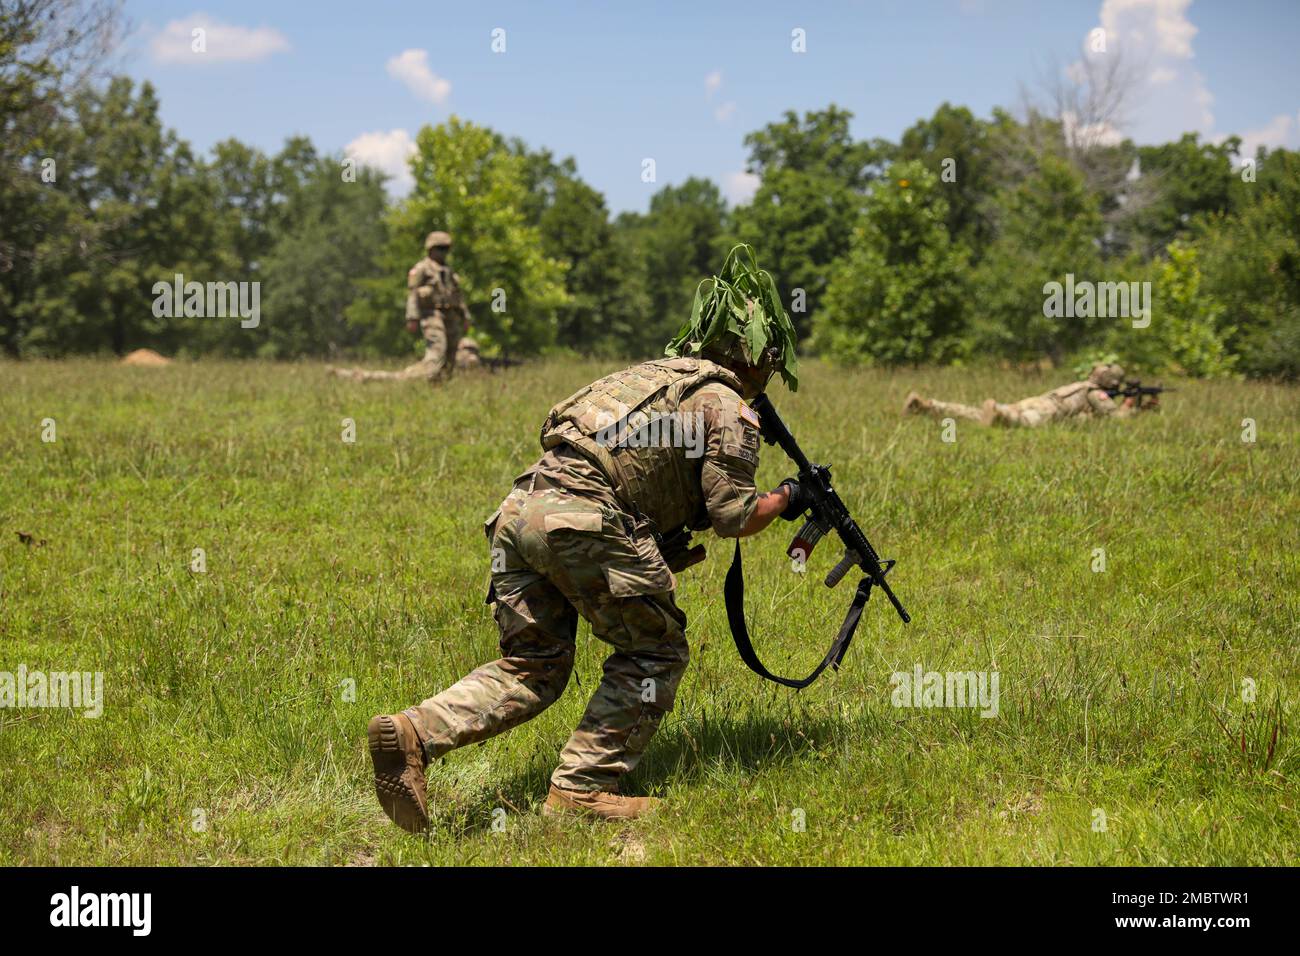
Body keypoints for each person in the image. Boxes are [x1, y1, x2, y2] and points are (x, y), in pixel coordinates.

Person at [367, 246, 810, 829]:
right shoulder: (725, 404)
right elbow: (733, 514)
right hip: (579, 519)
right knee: (656, 650)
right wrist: (785, 499)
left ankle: (414, 733)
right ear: (755, 356)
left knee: (534, 663)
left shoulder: (650, 375)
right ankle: (584, 788)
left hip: (519, 512)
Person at [329, 231, 470, 384]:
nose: (443, 253)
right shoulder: (422, 269)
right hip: (431, 315)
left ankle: (439, 385)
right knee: (437, 352)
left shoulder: (449, 272)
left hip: (450, 316)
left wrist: (465, 317)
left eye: (446, 249)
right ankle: (408, 378)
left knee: (451, 354)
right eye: (439, 248)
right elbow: (413, 294)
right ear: (430, 249)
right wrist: (412, 317)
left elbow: (458, 296)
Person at [903, 363, 1151, 427]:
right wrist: (1132, 405)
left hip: (1038, 400)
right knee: (1020, 423)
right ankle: (999, 414)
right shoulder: (1095, 394)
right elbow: (1115, 418)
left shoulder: (1081, 385)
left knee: (978, 415)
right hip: (1048, 411)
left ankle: (929, 405)